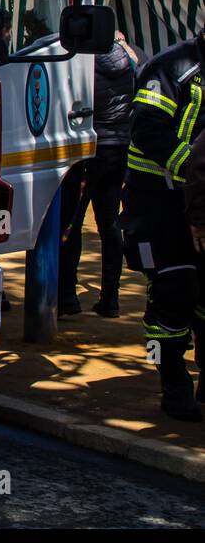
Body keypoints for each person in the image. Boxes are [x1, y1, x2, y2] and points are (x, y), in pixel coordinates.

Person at [119, 30, 205, 421]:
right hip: (158, 201)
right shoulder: (172, 67)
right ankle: (174, 385)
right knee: (174, 290)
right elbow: (147, 127)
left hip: (200, 199)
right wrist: (192, 169)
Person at [58, 30, 136, 317]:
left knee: (73, 222)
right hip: (119, 146)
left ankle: (67, 297)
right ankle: (111, 297)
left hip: (90, 148)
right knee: (109, 223)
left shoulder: (84, 61)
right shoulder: (127, 60)